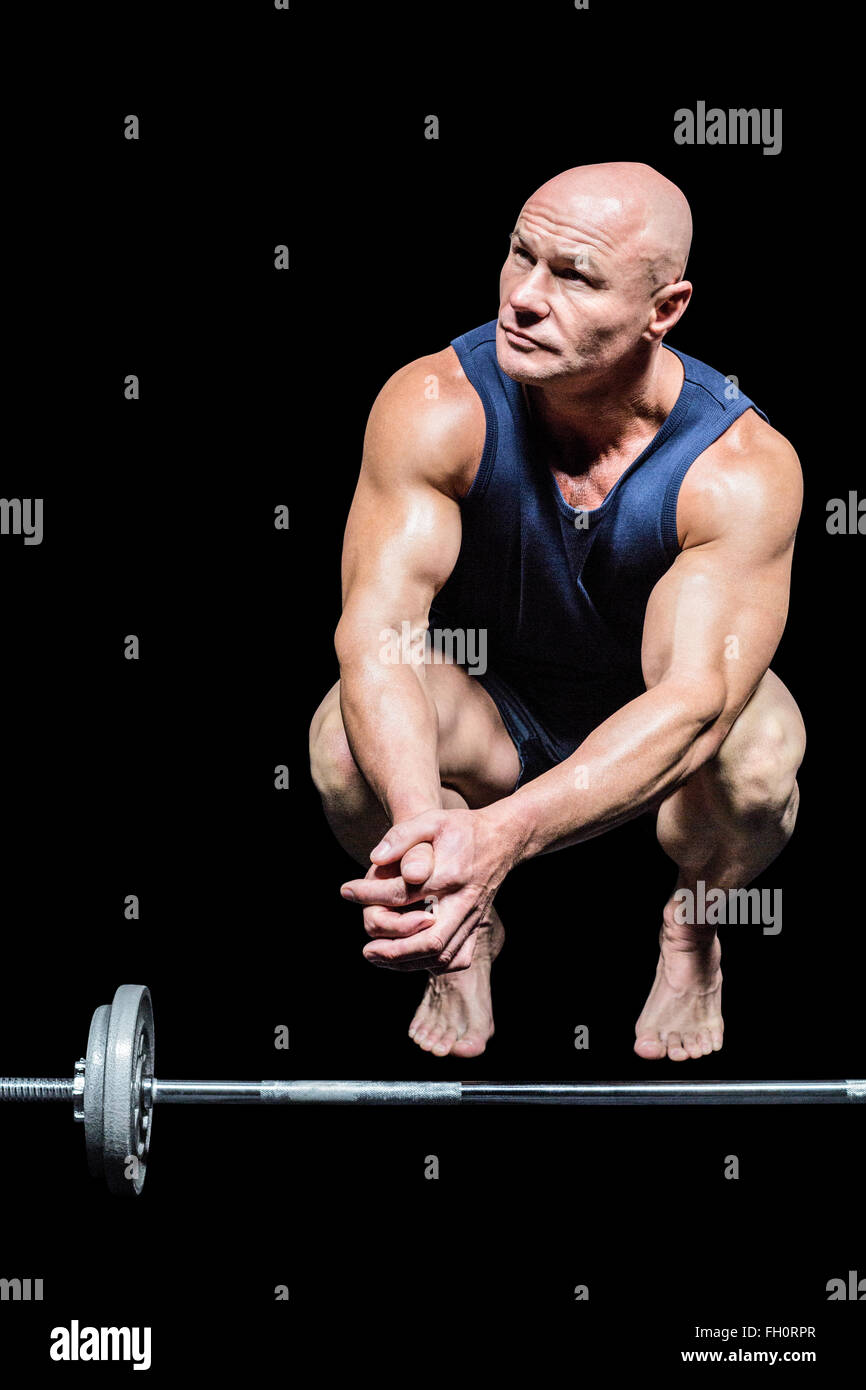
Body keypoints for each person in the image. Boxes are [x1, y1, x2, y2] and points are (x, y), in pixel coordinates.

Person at [309, 162, 805, 1063]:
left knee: (762, 761)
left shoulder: (740, 466)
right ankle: (464, 930)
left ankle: (693, 927)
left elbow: (693, 705)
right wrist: (432, 846)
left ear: (666, 309)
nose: (525, 298)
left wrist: (501, 835)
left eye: (574, 276)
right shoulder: (432, 405)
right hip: (495, 714)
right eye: (519, 257)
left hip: (662, 719)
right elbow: (376, 637)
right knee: (340, 747)